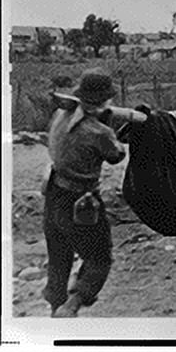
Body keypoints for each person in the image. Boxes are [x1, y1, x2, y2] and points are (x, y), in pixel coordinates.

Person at [42, 69, 127, 318]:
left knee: (58, 256)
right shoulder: (99, 132)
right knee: (99, 258)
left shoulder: (60, 114)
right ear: (105, 100)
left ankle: (55, 305)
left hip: (53, 194)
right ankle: (73, 304)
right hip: (81, 202)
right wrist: (107, 126)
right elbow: (116, 155)